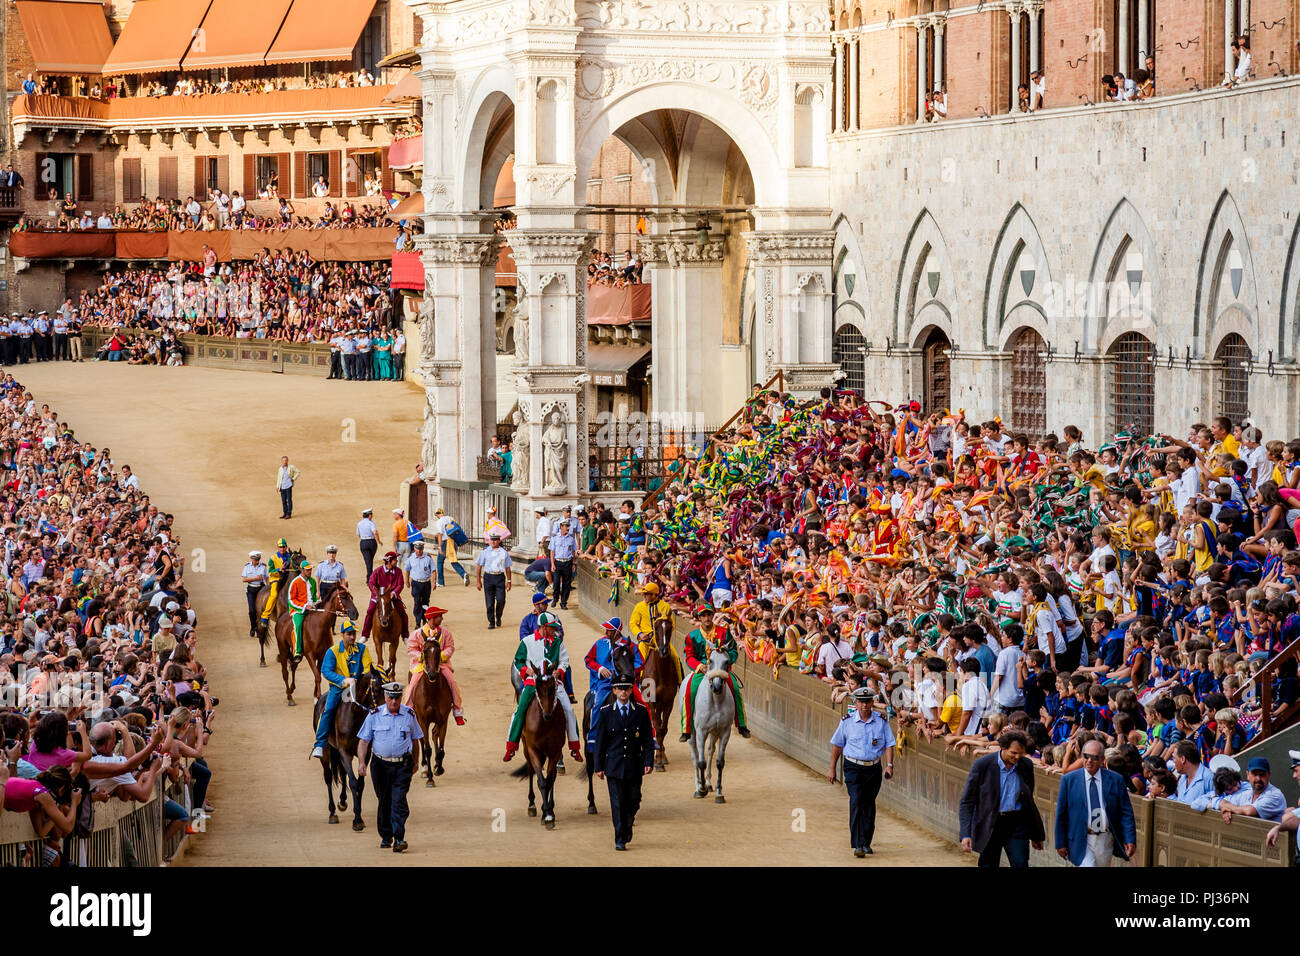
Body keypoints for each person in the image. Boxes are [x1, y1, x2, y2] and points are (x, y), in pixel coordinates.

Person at [958, 729, 1045, 867]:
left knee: (1020, 863)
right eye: (1013, 753)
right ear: (1003, 748)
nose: (1017, 757)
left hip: (1017, 823)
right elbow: (967, 802)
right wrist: (965, 834)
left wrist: (1036, 834)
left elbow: (1029, 802)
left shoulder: (1026, 765)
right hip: (990, 823)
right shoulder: (982, 765)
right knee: (989, 864)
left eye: (1020, 754)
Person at [503, 612, 583, 762]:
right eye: (551, 628)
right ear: (543, 628)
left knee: (569, 710)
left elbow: (565, 661)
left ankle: (575, 748)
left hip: (554, 683)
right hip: (533, 683)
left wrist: (559, 671)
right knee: (519, 711)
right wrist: (527, 670)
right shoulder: (527, 642)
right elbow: (518, 661)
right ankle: (511, 747)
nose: (554, 630)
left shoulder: (558, 643)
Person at [827, 686, 896, 857]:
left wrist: (889, 765)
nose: (864, 705)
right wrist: (832, 768)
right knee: (856, 800)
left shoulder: (881, 721)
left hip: (873, 768)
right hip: (853, 767)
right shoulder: (847, 721)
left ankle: (866, 842)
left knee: (869, 803)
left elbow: (889, 744)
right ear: (855, 703)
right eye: (861, 702)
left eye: (867, 702)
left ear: (872, 702)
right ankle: (858, 844)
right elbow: (838, 745)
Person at [591, 673, 656, 850]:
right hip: (614, 766)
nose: (623, 692)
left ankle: (628, 823)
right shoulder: (605, 713)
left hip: (635, 765)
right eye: (619, 688)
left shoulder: (641, 712)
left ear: (631, 690)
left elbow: (648, 740)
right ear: (614, 690)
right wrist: (598, 767)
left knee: (634, 800)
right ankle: (620, 837)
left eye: (626, 688)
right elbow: (600, 743)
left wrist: (648, 761)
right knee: (617, 803)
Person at [356, 681, 422, 852]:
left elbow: (416, 740)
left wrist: (415, 762)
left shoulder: (409, 715)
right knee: (384, 800)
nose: (394, 702)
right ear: (385, 697)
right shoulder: (374, 715)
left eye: (397, 698)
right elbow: (364, 741)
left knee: (398, 800)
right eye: (391, 698)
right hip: (380, 766)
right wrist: (361, 762)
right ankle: (386, 836)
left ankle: (399, 838)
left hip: (402, 765)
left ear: (401, 697)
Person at [1054, 738, 1137, 867]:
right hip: (1080, 837)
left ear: (1102, 759)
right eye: (1086, 756)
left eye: (1094, 757)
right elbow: (1061, 813)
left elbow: (1126, 812)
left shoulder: (1116, 780)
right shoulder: (1069, 780)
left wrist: (1130, 839)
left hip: (1105, 838)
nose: (1089, 761)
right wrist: (1060, 842)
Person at [679, 605, 750, 741]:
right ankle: (686, 729)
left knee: (735, 689)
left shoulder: (724, 632)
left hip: (721, 669)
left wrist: (727, 662)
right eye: (703, 615)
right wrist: (700, 666)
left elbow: (733, 650)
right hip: (702, 670)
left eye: (709, 615)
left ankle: (741, 724)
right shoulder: (692, 636)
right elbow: (689, 656)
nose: (707, 618)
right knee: (689, 692)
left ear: (712, 616)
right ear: (699, 618)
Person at [312, 620, 376, 758]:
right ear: (343, 635)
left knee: (374, 706)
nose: (352, 637)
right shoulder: (333, 651)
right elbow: (326, 671)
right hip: (339, 689)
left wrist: (361, 679)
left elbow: (367, 666)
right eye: (349, 634)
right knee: (328, 710)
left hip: (358, 688)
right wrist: (343, 680)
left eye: (354, 634)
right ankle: (320, 744)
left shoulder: (362, 649)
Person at [584, 617, 647, 745]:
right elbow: (588, 659)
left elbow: (640, 663)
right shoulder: (599, 643)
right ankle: (593, 736)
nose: (606, 632)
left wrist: (627, 672)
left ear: (617, 632)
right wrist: (600, 668)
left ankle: (649, 736)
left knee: (645, 703)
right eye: (606, 629)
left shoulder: (630, 646)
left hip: (627, 683)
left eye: (610, 630)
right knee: (597, 703)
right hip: (606, 683)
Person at [404, 606, 464, 723]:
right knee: (412, 685)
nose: (441, 619)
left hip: (441, 664)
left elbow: (450, 647)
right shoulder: (416, 634)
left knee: (452, 682)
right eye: (439, 617)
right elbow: (411, 649)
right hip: (421, 666)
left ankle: (457, 711)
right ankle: (409, 710)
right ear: (431, 619)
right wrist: (422, 657)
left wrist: (440, 656)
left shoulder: (445, 632)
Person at [629, 581, 681, 680]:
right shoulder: (639, 607)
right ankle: (636, 683)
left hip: (662, 641)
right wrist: (640, 634)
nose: (644, 596)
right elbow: (633, 623)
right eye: (644, 594)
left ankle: (680, 682)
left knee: (675, 658)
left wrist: (663, 637)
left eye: (647, 594)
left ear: (655, 595)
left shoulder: (665, 607)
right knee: (639, 661)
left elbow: (671, 625)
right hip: (645, 642)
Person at [362, 550, 410, 645]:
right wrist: (376, 595)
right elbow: (371, 583)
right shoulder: (378, 571)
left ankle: (405, 636)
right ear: (389, 561)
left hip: (392, 597)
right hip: (378, 597)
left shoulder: (398, 571)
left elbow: (400, 584)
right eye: (395, 559)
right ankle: (365, 635)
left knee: (403, 614)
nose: (396, 561)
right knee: (370, 611)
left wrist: (394, 593)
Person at [476, 532, 512, 628]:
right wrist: (478, 581)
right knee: (489, 602)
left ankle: (498, 616)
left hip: (499, 577)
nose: (493, 542)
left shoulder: (504, 553)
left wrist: (509, 581)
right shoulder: (485, 552)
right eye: (492, 540)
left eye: (495, 540)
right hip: (488, 577)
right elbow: (479, 566)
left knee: (501, 600)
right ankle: (491, 621)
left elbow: (508, 568)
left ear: (499, 541)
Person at [286, 559, 319, 659]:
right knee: (298, 625)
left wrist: (316, 602)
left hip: (311, 609)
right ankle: (297, 651)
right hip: (298, 611)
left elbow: (314, 597)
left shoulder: (313, 581)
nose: (310, 571)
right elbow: (291, 600)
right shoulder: (295, 582)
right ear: (302, 570)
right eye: (307, 570)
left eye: (310, 569)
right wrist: (304, 606)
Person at [259, 537, 294, 630]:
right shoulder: (273, 558)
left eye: (283, 547)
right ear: (277, 548)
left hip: (287, 579)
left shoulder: (290, 556)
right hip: (276, 579)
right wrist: (279, 569)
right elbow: (270, 571)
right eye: (280, 547)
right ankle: (265, 616)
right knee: (274, 594)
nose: (282, 549)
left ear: (286, 547)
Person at [550, 517, 579, 609]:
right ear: (561, 526)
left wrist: (573, 563)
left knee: (566, 584)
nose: (568, 528)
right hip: (558, 562)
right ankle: (555, 599)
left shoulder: (571, 539)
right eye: (566, 526)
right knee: (556, 582)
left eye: (568, 526)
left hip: (567, 562)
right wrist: (552, 564)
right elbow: (552, 552)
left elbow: (573, 552)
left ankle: (563, 602)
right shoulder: (554, 538)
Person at [241, 549, 269, 637]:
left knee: (260, 611)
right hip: (251, 590)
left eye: (258, 559)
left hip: (261, 590)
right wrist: (255, 578)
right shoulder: (247, 567)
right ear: (251, 559)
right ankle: (253, 627)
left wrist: (268, 587)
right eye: (255, 559)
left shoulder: (263, 567)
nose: (257, 561)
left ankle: (258, 628)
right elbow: (244, 579)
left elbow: (267, 578)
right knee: (252, 611)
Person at [405, 540, 435, 621]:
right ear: (414, 548)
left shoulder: (428, 558)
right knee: (417, 602)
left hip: (426, 583)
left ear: (423, 548)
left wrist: (434, 582)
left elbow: (433, 570)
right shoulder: (410, 558)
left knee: (425, 602)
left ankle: (425, 620)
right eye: (417, 549)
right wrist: (407, 581)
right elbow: (407, 570)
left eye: (421, 549)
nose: (419, 551)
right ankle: (418, 621)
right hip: (416, 583)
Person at [356, 507, 380, 578]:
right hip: (372, 542)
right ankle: (370, 577)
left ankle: (369, 576)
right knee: (369, 560)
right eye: (371, 514)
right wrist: (379, 541)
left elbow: (358, 534)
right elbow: (375, 532)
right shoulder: (371, 523)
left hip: (363, 542)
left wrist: (363, 539)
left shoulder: (359, 523)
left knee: (368, 560)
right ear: (369, 515)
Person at [276, 455, 300, 519]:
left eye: (286, 460)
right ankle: (285, 513)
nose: (285, 462)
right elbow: (279, 478)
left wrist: (293, 479)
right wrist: (277, 486)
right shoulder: (280, 469)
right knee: (283, 501)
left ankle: (289, 513)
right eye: (283, 460)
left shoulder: (291, 467)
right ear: (281, 461)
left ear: (287, 461)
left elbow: (298, 472)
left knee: (289, 500)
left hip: (288, 486)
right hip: (282, 486)